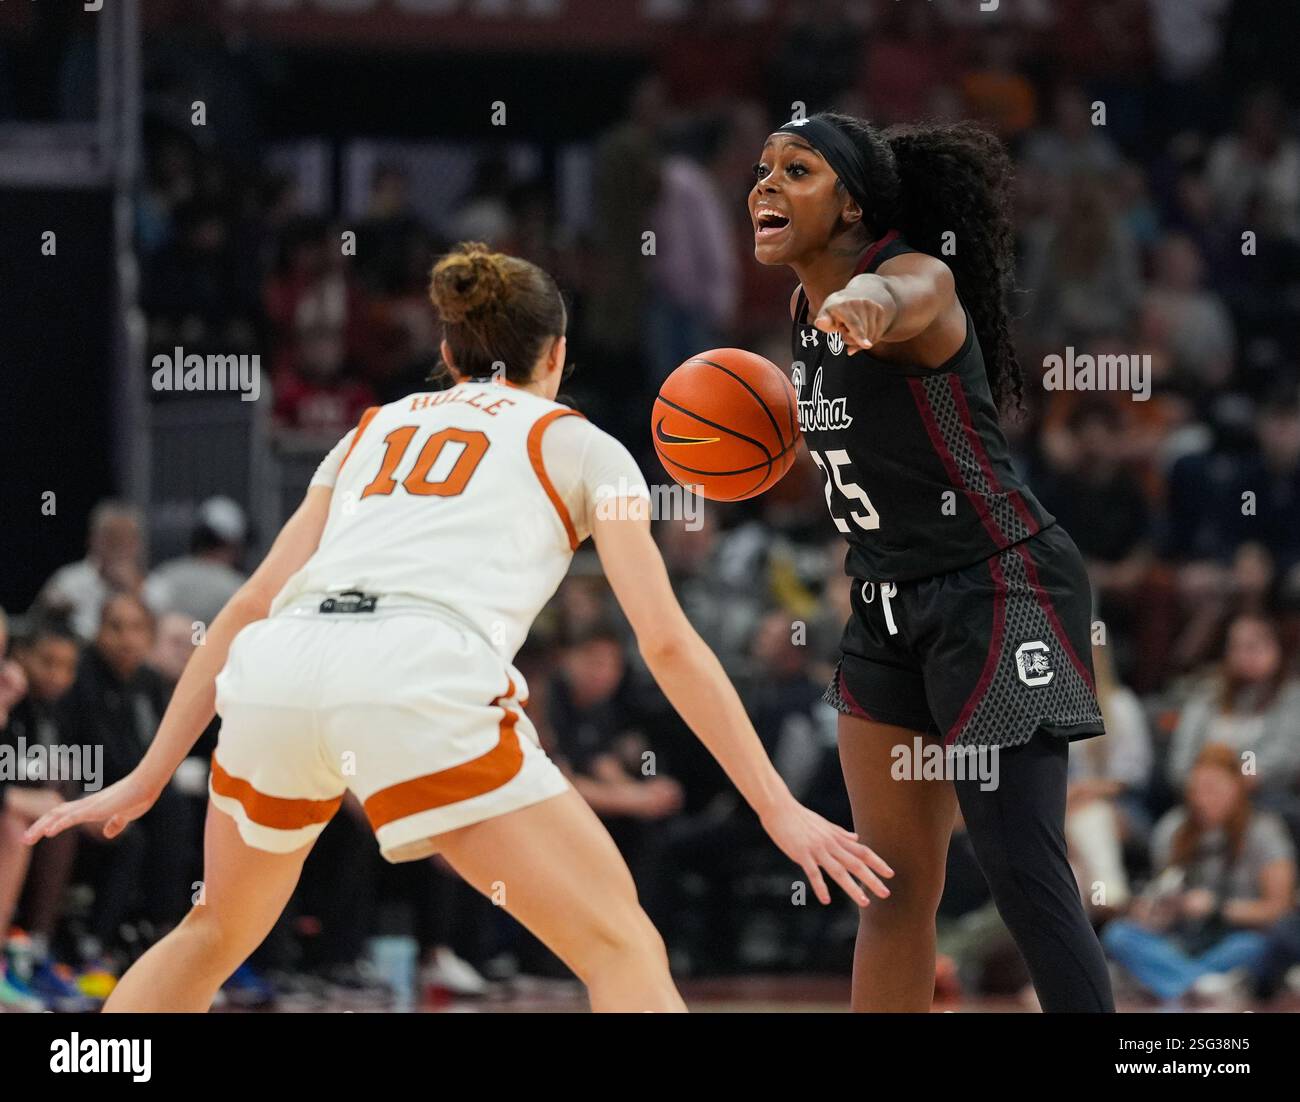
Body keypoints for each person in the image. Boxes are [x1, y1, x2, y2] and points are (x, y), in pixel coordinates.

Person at [26, 243, 889, 1013]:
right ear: (557, 357)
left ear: (448, 354)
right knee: (619, 945)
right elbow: (665, 641)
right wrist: (778, 807)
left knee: (212, 930)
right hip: (416, 673)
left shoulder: (371, 428)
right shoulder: (584, 446)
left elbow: (249, 603)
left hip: (280, 667)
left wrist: (148, 774)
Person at [747, 111, 1114, 1011]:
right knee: (894, 884)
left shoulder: (913, 277)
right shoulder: (800, 309)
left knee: (1021, 866)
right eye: (761, 169)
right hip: (885, 600)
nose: (763, 184)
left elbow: (906, 295)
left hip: (998, 586)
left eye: (796, 170)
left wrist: (867, 306)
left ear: (851, 207)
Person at [1103, 744, 1296, 1003]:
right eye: (1196, 790)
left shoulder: (1264, 831)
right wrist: (1155, 911)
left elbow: (1279, 910)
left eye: (1214, 790)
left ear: (1237, 788)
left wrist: (1217, 908)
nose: (1203, 799)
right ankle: (1203, 989)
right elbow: (1160, 893)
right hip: (1181, 938)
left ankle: (1177, 989)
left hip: (1233, 938)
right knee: (1119, 935)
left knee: (1254, 946)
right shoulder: (1173, 828)